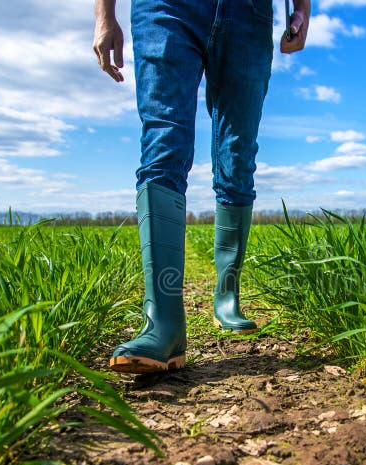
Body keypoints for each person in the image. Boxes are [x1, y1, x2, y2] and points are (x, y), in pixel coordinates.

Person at [93, 0, 310, 374]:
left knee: (237, 157)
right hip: (165, 7)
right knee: (163, 143)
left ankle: (227, 295)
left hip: (249, 12)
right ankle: (162, 324)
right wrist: (103, 15)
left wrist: (302, 9)